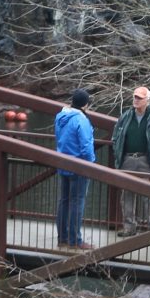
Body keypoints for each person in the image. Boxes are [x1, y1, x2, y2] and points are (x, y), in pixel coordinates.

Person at [110, 85, 150, 233]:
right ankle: (129, 227)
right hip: (128, 160)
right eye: (135, 97)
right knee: (127, 195)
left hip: (147, 161)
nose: (136, 100)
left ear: (147, 101)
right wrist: (119, 154)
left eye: (140, 98)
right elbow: (115, 138)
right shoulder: (125, 117)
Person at [54, 89, 96, 250]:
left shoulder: (60, 116)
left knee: (64, 201)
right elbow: (86, 146)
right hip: (79, 165)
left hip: (63, 162)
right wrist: (90, 163)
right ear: (85, 105)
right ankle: (75, 240)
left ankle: (62, 238)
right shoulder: (81, 120)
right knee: (77, 202)